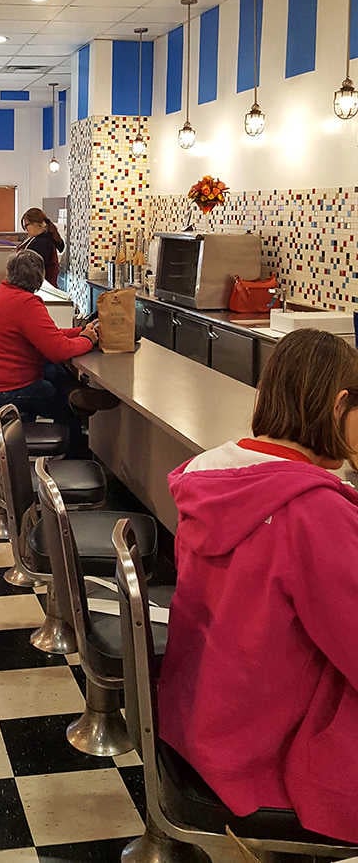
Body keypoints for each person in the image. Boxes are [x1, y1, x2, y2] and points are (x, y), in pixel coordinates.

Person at [158, 328, 358, 843]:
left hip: (198, 716)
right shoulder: (313, 512)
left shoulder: (210, 475)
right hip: (258, 749)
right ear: (340, 406)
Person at [0, 250, 101, 446]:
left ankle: (80, 395)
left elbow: (47, 335)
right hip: (1, 392)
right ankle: (75, 450)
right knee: (58, 398)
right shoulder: (25, 303)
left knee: (51, 370)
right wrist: (87, 340)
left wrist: (80, 331)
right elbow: (58, 350)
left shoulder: (1, 295)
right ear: (39, 278)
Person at [18, 207, 64, 286]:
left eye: (26, 226)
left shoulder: (41, 243)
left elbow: (32, 271)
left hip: (41, 288)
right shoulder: (45, 239)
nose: (26, 230)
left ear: (36, 223)